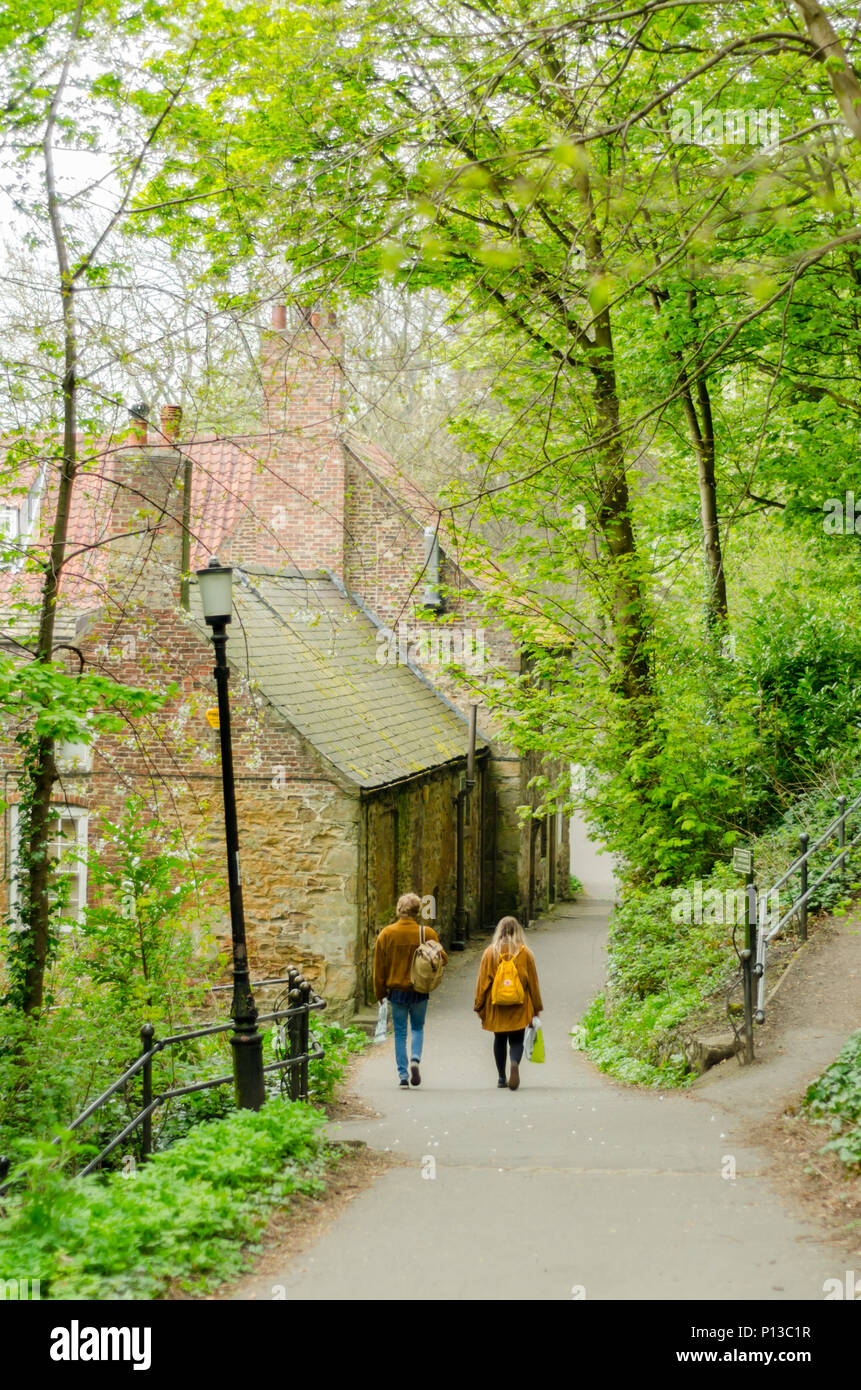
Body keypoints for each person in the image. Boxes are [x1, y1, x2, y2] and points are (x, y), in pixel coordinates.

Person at [373, 892, 447, 1089]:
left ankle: (403, 1075)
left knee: (399, 1032)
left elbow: (379, 968)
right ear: (417, 911)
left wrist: (379, 993)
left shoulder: (386, 934)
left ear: (399, 909)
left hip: (396, 991)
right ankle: (415, 1059)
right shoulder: (427, 933)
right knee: (417, 1027)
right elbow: (443, 958)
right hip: (420, 989)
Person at [474, 915, 543, 1091]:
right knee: (517, 1039)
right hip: (519, 1005)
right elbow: (533, 983)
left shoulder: (490, 952)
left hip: (496, 1005)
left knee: (499, 1038)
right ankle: (514, 1063)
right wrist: (536, 1007)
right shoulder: (525, 953)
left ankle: (501, 1077)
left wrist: (479, 1005)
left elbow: (483, 982)